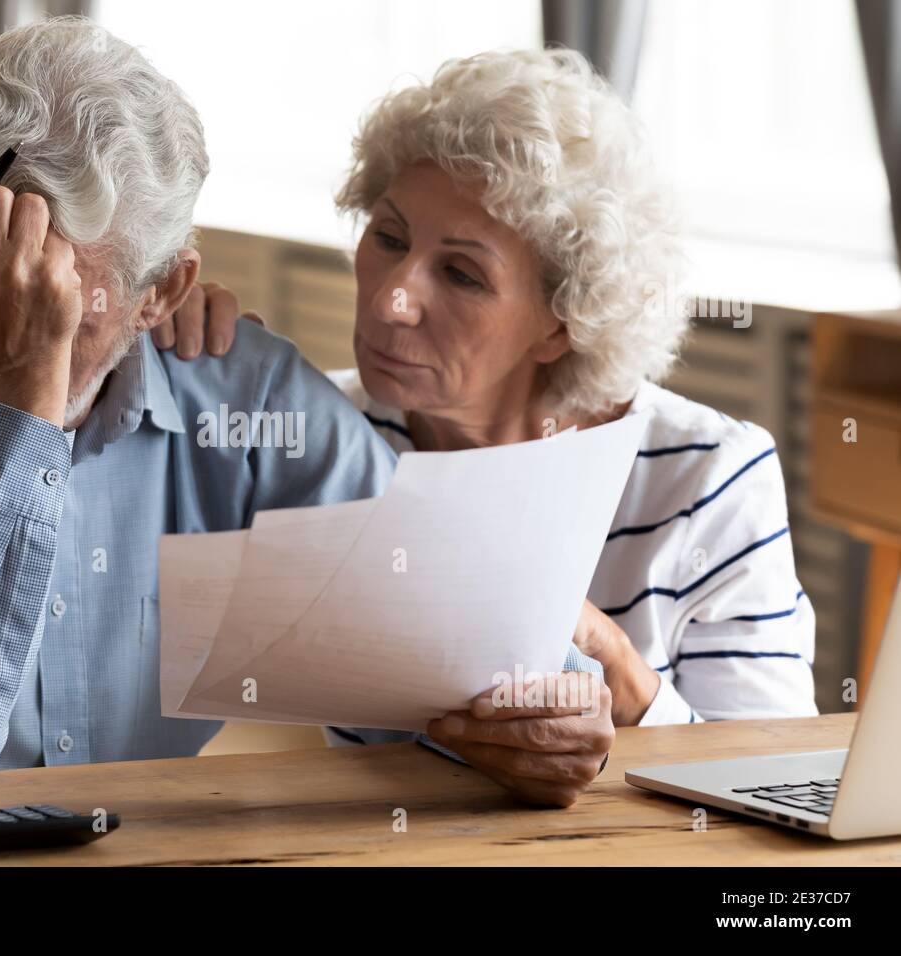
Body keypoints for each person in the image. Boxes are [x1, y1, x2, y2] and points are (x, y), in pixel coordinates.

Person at [0, 20, 612, 808]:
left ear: (163, 293)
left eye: (49, 306)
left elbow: (449, 658)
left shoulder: (245, 405)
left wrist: (541, 715)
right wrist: (14, 402)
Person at [159, 49, 818, 762]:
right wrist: (164, 346)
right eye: (389, 238)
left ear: (563, 322)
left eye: (463, 274)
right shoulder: (327, 436)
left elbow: (773, 779)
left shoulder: (706, 476)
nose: (391, 300)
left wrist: (624, 681)